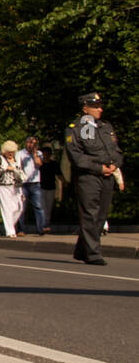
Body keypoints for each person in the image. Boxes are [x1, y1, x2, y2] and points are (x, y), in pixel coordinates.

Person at [64, 91, 124, 266]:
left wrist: (114, 165)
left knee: (102, 215)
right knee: (90, 214)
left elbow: (116, 150)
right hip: (89, 177)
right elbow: (76, 156)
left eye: (100, 106)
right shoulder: (75, 128)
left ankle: (82, 250)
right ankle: (93, 253)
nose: (100, 109)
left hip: (108, 176)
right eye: (95, 106)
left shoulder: (106, 126)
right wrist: (99, 168)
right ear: (85, 108)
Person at [0, 140, 24, 238]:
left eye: (13, 152)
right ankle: (10, 231)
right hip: (3, 186)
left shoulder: (17, 159)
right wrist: (7, 168)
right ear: (4, 151)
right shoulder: (0, 158)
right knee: (7, 209)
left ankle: (9, 225)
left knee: (19, 208)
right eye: (9, 152)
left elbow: (21, 171)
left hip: (16, 186)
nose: (11, 154)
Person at [15, 136, 45, 235]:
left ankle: (41, 228)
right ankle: (21, 229)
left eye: (33, 143)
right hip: (23, 184)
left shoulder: (39, 153)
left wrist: (35, 153)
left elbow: (39, 164)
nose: (31, 145)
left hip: (35, 183)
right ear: (26, 143)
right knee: (22, 207)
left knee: (38, 206)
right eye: (29, 143)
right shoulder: (20, 153)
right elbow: (18, 167)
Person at [39, 146, 60, 230]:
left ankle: (47, 223)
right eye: (44, 154)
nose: (46, 155)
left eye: (48, 154)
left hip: (51, 188)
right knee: (43, 206)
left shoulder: (54, 164)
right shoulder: (40, 164)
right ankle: (43, 224)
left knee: (49, 207)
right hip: (41, 187)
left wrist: (64, 182)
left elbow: (59, 174)